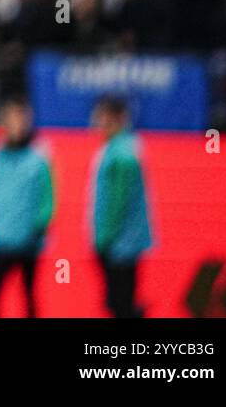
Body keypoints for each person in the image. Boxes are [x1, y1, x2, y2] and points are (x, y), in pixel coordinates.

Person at [0, 97, 54, 317]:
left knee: (29, 293)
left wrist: (41, 223)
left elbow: (47, 196)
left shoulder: (39, 157)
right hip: (1, 238)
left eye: (21, 119)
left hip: (29, 239)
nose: (17, 125)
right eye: (12, 120)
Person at [90, 95, 153, 317]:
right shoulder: (122, 148)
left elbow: (117, 201)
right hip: (125, 241)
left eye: (102, 117)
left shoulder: (122, 154)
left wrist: (103, 238)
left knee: (119, 302)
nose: (97, 123)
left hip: (120, 243)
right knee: (120, 301)